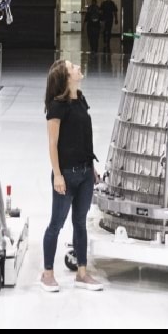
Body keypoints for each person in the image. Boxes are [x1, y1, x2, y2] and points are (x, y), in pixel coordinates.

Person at [40, 56, 103, 293]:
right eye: (72, 67)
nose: (77, 67)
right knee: (56, 224)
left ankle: (82, 274)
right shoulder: (57, 107)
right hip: (66, 174)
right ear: (67, 78)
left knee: (80, 224)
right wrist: (57, 175)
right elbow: (53, 144)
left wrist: (91, 167)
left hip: (85, 174)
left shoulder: (81, 101)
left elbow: (83, 137)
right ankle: (47, 274)